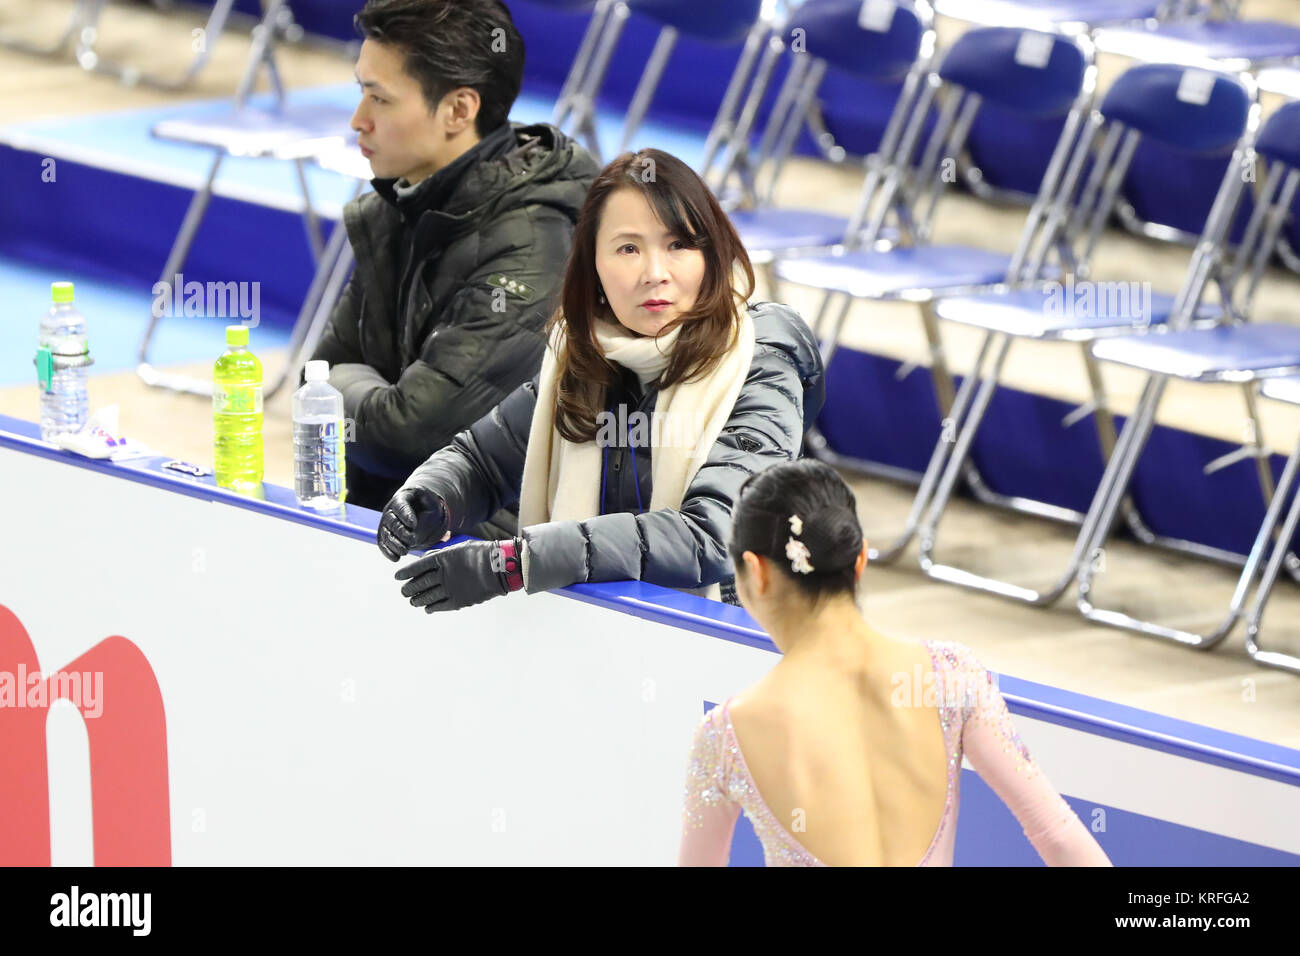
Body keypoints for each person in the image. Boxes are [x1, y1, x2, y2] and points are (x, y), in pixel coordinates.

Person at [375, 148, 825, 609]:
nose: (655, 274)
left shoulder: (762, 360)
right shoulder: (583, 353)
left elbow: (713, 534)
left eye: (679, 245)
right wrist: (430, 497)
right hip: (613, 634)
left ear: (712, 254)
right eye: (628, 248)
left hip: (740, 640)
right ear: (593, 265)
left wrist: (519, 562)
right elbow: (484, 462)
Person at [678, 459, 1113, 866]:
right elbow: (1057, 833)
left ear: (755, 571)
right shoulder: (950, 677)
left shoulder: (726, 736)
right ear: (861, 558)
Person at [310, 0, 600, 515]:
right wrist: (343, 391)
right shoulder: (400, 206)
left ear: (459, 110)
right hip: (389, 523)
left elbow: (404, 436)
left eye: (380, 99)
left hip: (492, 560)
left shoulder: (532, 242)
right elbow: (319, 381)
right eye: (361, 93)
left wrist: (341, 390)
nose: (359, 121)